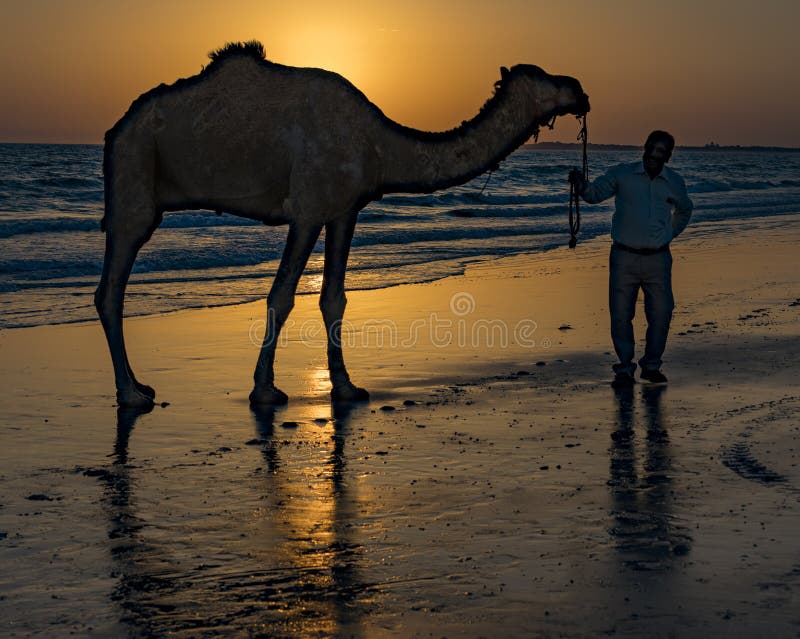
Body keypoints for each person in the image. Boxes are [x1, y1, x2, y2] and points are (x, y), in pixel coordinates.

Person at [569, 130, 693, 388]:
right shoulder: (622, 174)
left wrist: (669, 233)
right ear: (644, 147)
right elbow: (594, 194)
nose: (654, 154)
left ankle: (651, 366)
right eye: (652, 148)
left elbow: (685, 209)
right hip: (623, 256)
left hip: (658, 259)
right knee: (620, 314)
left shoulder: (674, 182)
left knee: (661, 313)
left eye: (661, 151)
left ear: (668, 156)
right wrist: (580, 185)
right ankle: (625, 367)